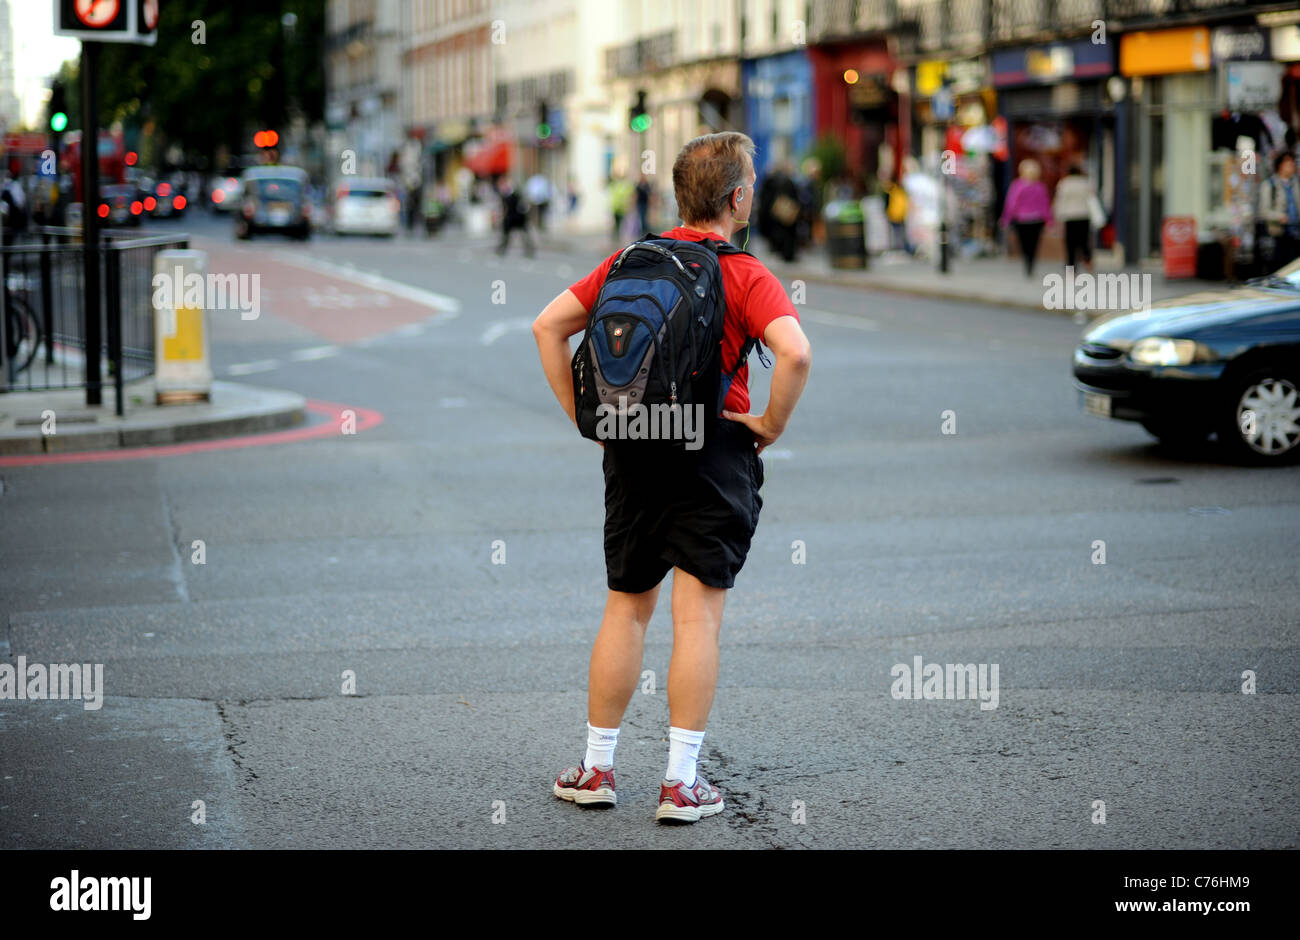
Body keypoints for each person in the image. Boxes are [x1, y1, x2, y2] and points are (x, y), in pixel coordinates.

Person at [532, 132, 812, 824]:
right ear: (739, 197)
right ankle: (680, 784)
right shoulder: (744, 273)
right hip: (714, 451)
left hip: (632, 447)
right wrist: (770, 424)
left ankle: (596, 768)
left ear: (678, 195)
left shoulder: (630, 260)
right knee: (698, 618)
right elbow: (795, 353)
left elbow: (547, 326)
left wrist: (586, 418)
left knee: (626, 606)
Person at [1000, 158, 1052, 277]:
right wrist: (1049, 220)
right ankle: (1031, 263)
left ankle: (1027, 262)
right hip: (1036, 220)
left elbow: (1011, 203)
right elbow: (1045, 205)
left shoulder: (1017, 185)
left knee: (1024, 243)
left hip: (1022, 220)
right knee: (1034, 243)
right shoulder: (1040, 186)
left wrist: (1006, 219)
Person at [1051, 163, 1098, 273]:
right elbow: (1092, 199)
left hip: (1069, 217)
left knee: (1070, 243)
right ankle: (1088, 263)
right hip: (1084, 216)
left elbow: (1060, 201)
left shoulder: (1064, 184)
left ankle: (1071, 268)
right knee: (1084, 241)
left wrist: (1057, 217)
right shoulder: (1085, 183)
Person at [1261, 151, 1300, 271]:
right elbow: (1263, 211)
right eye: (1288, 164)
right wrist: (1280, 216)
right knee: (1280, 268)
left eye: (1293, 164)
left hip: (1296, 232)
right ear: (1280, 166)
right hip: (1279, 233)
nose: (1292, 167)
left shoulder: (1296, 184)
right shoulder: (1269, 185)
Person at [495, 178, 535, 257]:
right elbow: (525, 207)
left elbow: (505, 209)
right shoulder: (517, 196)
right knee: (523, 236)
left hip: (512, 218)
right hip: (519, 218)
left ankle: (502, 249)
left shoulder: (507, 197)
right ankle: (529, 250)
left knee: (507, 236)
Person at [885, 176, 911, 254]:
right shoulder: (901, 192)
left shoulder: (894, 192)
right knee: (900, 233)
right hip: (899, 215)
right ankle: (901, 248)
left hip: (895, 215)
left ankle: (899, 248)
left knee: (896, 233)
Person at [607, 172, 634, 246]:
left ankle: (620, 238)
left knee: (621, 224)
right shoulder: (616, 185)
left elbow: (629, 196)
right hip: (616, 208)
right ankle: (616, 238)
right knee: (617, 224)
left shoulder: (622, 185)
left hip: (621, 208)